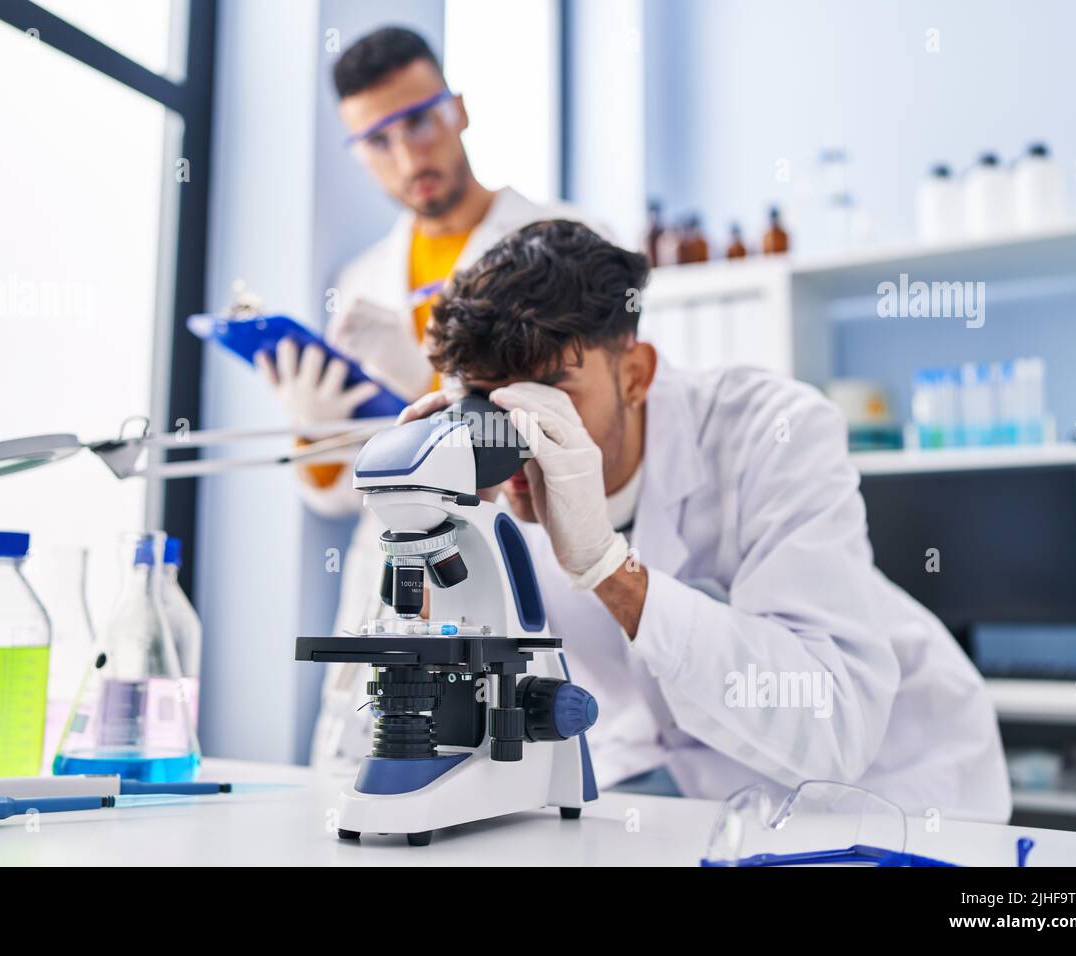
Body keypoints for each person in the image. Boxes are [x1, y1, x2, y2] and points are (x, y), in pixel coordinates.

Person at [351, 219, 1014, 822]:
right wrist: (440, 517)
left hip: (895, 786)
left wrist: (611, 569)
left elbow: (832, 725)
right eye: (486, 402)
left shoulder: (774, 432)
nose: (518, 435)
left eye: (548, 395)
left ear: (635, 374)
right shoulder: (496, 490)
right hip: (690, 786)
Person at [256, 27, 604, 763]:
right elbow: (340, 495)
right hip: (389, 562)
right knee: (367, 772)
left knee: (507, 770)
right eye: (377, 141)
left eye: (419, 120)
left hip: (514, 545)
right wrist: (314, 431)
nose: (408, 155)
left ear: (460, 110)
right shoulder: (362, 283)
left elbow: (571, 425)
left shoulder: (568, 239)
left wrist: (424, 386)